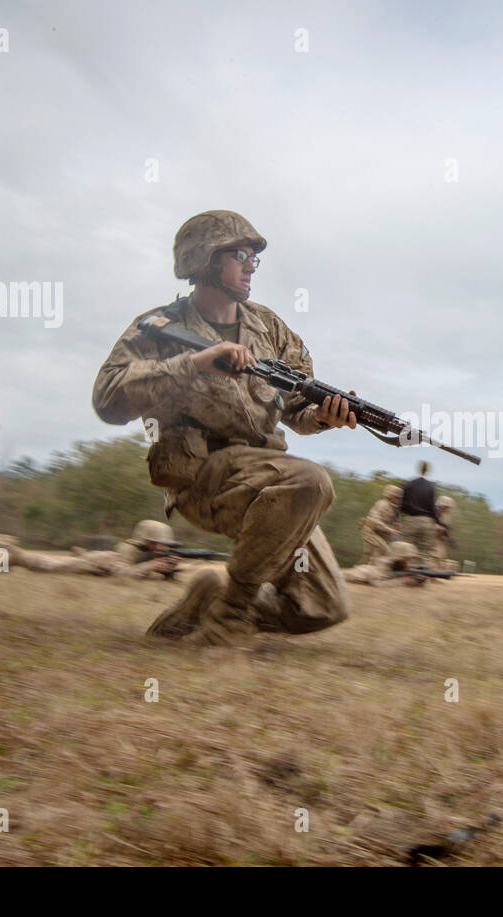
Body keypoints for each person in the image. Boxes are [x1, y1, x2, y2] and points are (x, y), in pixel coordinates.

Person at [92, 209, 355, 646]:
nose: (251, 265)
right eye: (240, 254)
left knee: (323, 607)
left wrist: (322, 416)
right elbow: (108, 400)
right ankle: (229, 618)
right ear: (205, 261)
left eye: (254, 257)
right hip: (201, 476)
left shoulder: (267, 327)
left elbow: (294, 408)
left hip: (271, 483)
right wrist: (193, 364)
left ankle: (212, 599)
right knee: (313, 482)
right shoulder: (161, 328)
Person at [0, 520, 187, 579]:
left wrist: (165, 569)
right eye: (157, 543)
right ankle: (13, 554)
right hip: (97, 562)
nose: (161, 548)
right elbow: (122, 573)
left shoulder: (143, 553)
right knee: (51, 567)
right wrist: (152, 565)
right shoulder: (129, 552)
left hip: (99, 561)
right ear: (144, 540)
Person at [400, 461, 447, 566]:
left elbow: (402, 505)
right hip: (426, 522)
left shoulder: (409, 484)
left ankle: (406, 572)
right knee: (423, 551)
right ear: (427, 471)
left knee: (406, 547)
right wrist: (438, 523)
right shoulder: (431, 487)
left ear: (418, 468)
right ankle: (420, 575)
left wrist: (399, 519)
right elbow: (432, 509)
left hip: (411, 520)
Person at [342, 541, 429, 587]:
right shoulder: (384, 565)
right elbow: (376, 583)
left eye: (410, 559)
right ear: (397, 557)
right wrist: (403, 581)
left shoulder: (399, 564)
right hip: (352, 575)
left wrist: (419, 579)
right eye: (406, 559)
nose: (409, 562)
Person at [357, 486, 403, 564]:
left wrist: (395, 526)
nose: (399, 500)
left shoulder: (392, 507)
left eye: (399, 498)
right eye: (397, 497)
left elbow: (390, 521)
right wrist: (390, 530)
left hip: (377, 533)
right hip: (370, 531)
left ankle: (363, 570)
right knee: (380, 552)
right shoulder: (382, 505)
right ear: (391, 496)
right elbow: (375, 521)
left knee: (376, 555)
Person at [431, 496, 457, 571]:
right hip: (432, 538)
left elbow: (446, 528)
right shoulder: (434, 513)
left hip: (441, 539)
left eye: (448, 507)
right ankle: (431, 576)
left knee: (441, 556)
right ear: (441, 506)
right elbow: (432, 525)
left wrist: (450, 539)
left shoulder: (446, 516)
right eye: (446, 506)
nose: (447, 508)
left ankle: (435, 574)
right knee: (434, 556)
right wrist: (439, 528)